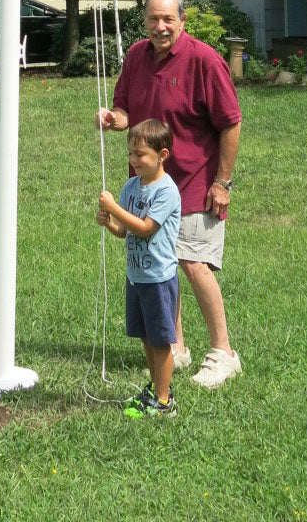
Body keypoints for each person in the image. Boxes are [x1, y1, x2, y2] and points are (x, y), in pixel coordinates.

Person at [97, 0, 242, 389]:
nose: (160, 27)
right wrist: (113, 118)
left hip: (195, 181)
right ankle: (175, 346)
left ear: (182, 21)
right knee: (163, 265)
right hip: (150, 184)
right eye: (153, 20)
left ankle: (224, 353)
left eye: (168, 20)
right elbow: (127, 112)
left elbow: (231, 122)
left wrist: (222, 182)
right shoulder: (137, 56)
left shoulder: (204, 60)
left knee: (194, 264)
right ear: (144, 22)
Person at [97, 116, 182, 419]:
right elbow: (126, 230)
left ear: (162, 156)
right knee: (146, 337)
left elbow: (146, 228)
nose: (134, 161)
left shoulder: (167, 191)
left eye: (141, 155)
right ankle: (157, 387)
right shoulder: (131, 187)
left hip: (158, 278)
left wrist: (114, 209)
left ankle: (164, 402)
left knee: (161, 340)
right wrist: (111, 223)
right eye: (130, 154)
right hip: (137, 276)